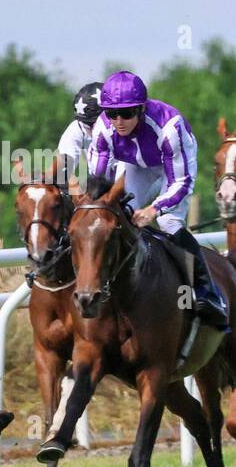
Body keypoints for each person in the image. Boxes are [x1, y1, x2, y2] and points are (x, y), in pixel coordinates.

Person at [87, 70, 227, 328]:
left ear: (141, 109)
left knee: (169, 224)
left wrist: (155, 209)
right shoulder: (102, 130)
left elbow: (181, 183)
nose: (118, 121)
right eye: (112, 113)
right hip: (134, 165)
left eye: (127, 113)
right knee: (113, 218)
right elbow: (98, 184)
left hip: (171, 168)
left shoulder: (169, 127)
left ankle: (208, 293)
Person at [56, 82, 102, 191]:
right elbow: (62, 173)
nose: (91, 130)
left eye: (94, 123)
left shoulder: (122, 126)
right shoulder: (77, 127)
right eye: (87, 124)